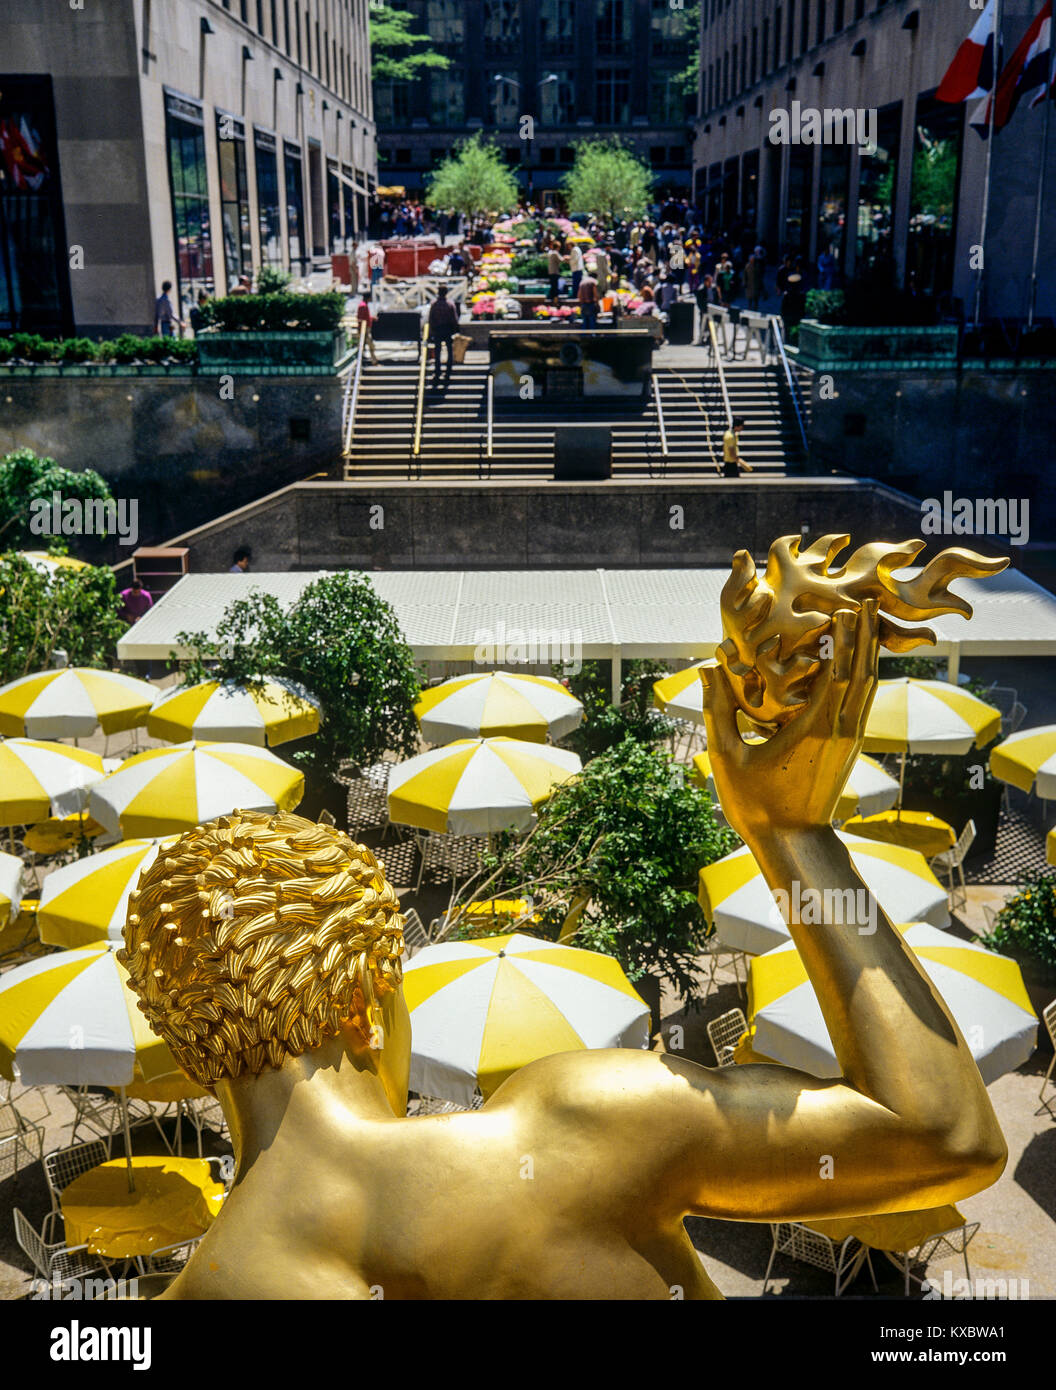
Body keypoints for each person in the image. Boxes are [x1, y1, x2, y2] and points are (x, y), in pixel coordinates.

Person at [123, 626, 1006, 1302]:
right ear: (361, 1001)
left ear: (193, 1050)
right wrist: (792, 834)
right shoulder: (579, 1130)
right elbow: (945, 1135)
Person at [428, 284, 459, 389]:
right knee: (449, 352)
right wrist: (455, 329)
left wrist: (431, 331)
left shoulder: (434, 304)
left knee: (438, 352)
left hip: (437, 330)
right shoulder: (450, 304)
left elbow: (430, 318)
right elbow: (454, 319)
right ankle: (448, 372)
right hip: (447, 330)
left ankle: (437, 372)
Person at [356, 294, 379, 365]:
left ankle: (371, 361)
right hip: (364, 329)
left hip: (366, 328)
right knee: (370, 345)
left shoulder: (364, 305)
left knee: (364, 345)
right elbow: (360, 318)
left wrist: (371, 318)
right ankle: (374, 361)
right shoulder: (363, 306)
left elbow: (365, 317)